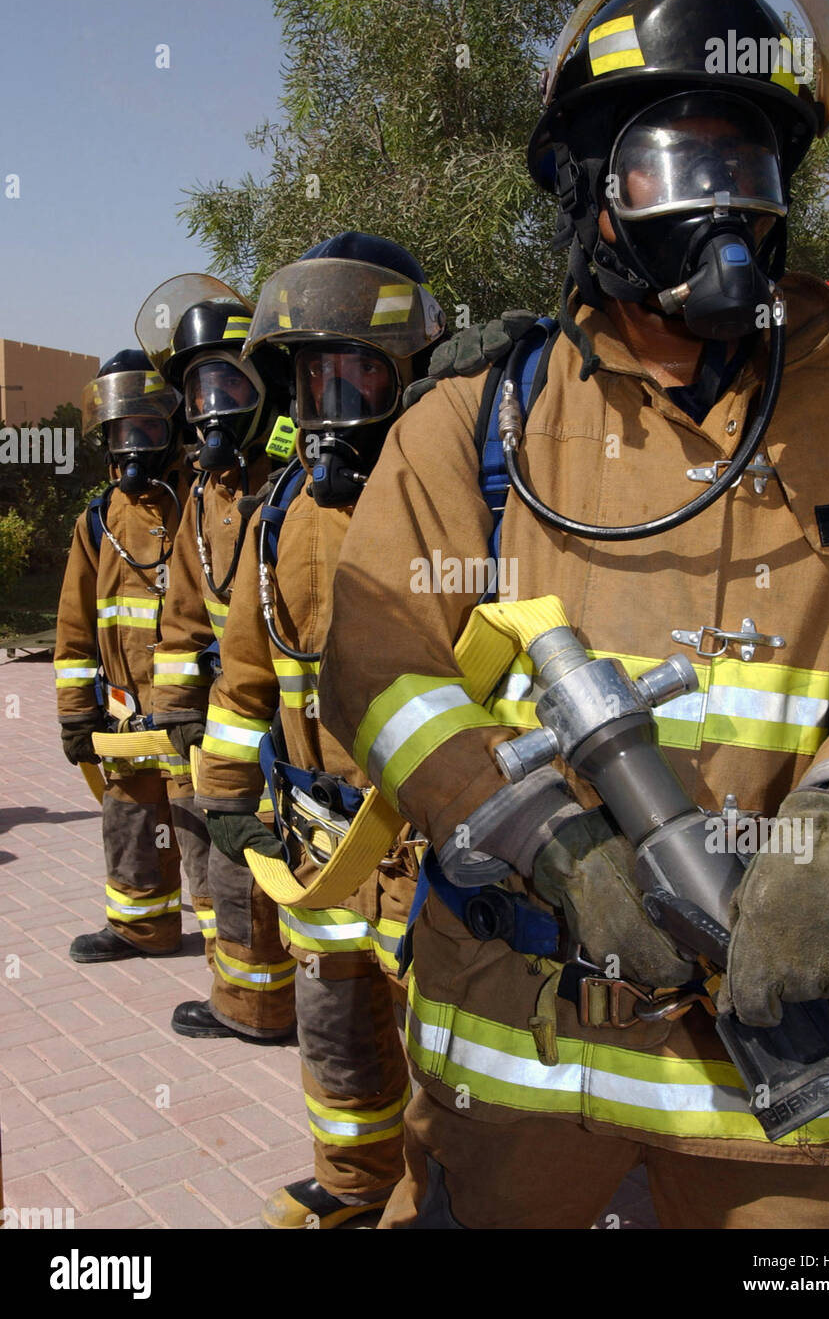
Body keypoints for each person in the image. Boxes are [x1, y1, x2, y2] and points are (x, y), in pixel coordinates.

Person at [319, 0, 829, 1228]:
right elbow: (379, 669)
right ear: (594, 191)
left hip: (795, 1100)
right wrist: (553, 843)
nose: (719, 207)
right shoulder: (476, 421)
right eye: (675, 165)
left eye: (743, 166)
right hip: (513, 1062)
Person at [193, 233, 447, 1227]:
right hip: (315, 852)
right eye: (312, 378)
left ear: (407, 376)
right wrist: (224, 807)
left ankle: (433, 1206)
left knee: (449, 1064)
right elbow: (243, 678)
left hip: (430, 856)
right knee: (338, 1041)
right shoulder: (278, 515)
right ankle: (352, 1191)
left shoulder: (458, 511)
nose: (331, 402)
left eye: (356, 375)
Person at [136, 276, 299, 1040]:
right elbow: (180, 615)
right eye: (197, 389)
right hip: (227, 726)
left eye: (227, 382)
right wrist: (175, 710)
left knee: (303, 863)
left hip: (300, 725)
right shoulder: (206, 497)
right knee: (229, 863)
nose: (210, 407)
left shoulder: (301, 484)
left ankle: (303, 1005)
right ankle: (252, 1003)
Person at [55, 350, 198, 960]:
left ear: (174, 431)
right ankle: (140, 927)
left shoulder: (199, 502)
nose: (134, 447)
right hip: (124, 717)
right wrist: (74, 713)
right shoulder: (97, 521)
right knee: (132, 825)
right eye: (122, 433)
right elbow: (74, 625)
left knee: (202, 835)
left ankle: (238, 968)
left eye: (147, 430)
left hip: (194, 715)